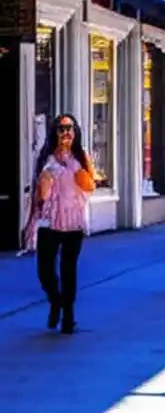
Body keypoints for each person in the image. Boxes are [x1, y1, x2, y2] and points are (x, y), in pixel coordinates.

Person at [23, 114, 96, 333]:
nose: (66, 133)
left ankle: (68, 316)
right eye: (61, 129)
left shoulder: (81, 156)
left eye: (70, 128)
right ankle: (56, 300)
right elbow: (39, 193)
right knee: (44, 271)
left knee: (68, 269)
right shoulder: (46, 157)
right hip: (49, 220)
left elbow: (90, 185)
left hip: (73, 221)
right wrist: (45, 181)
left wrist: (78, 172)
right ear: (54, 133)